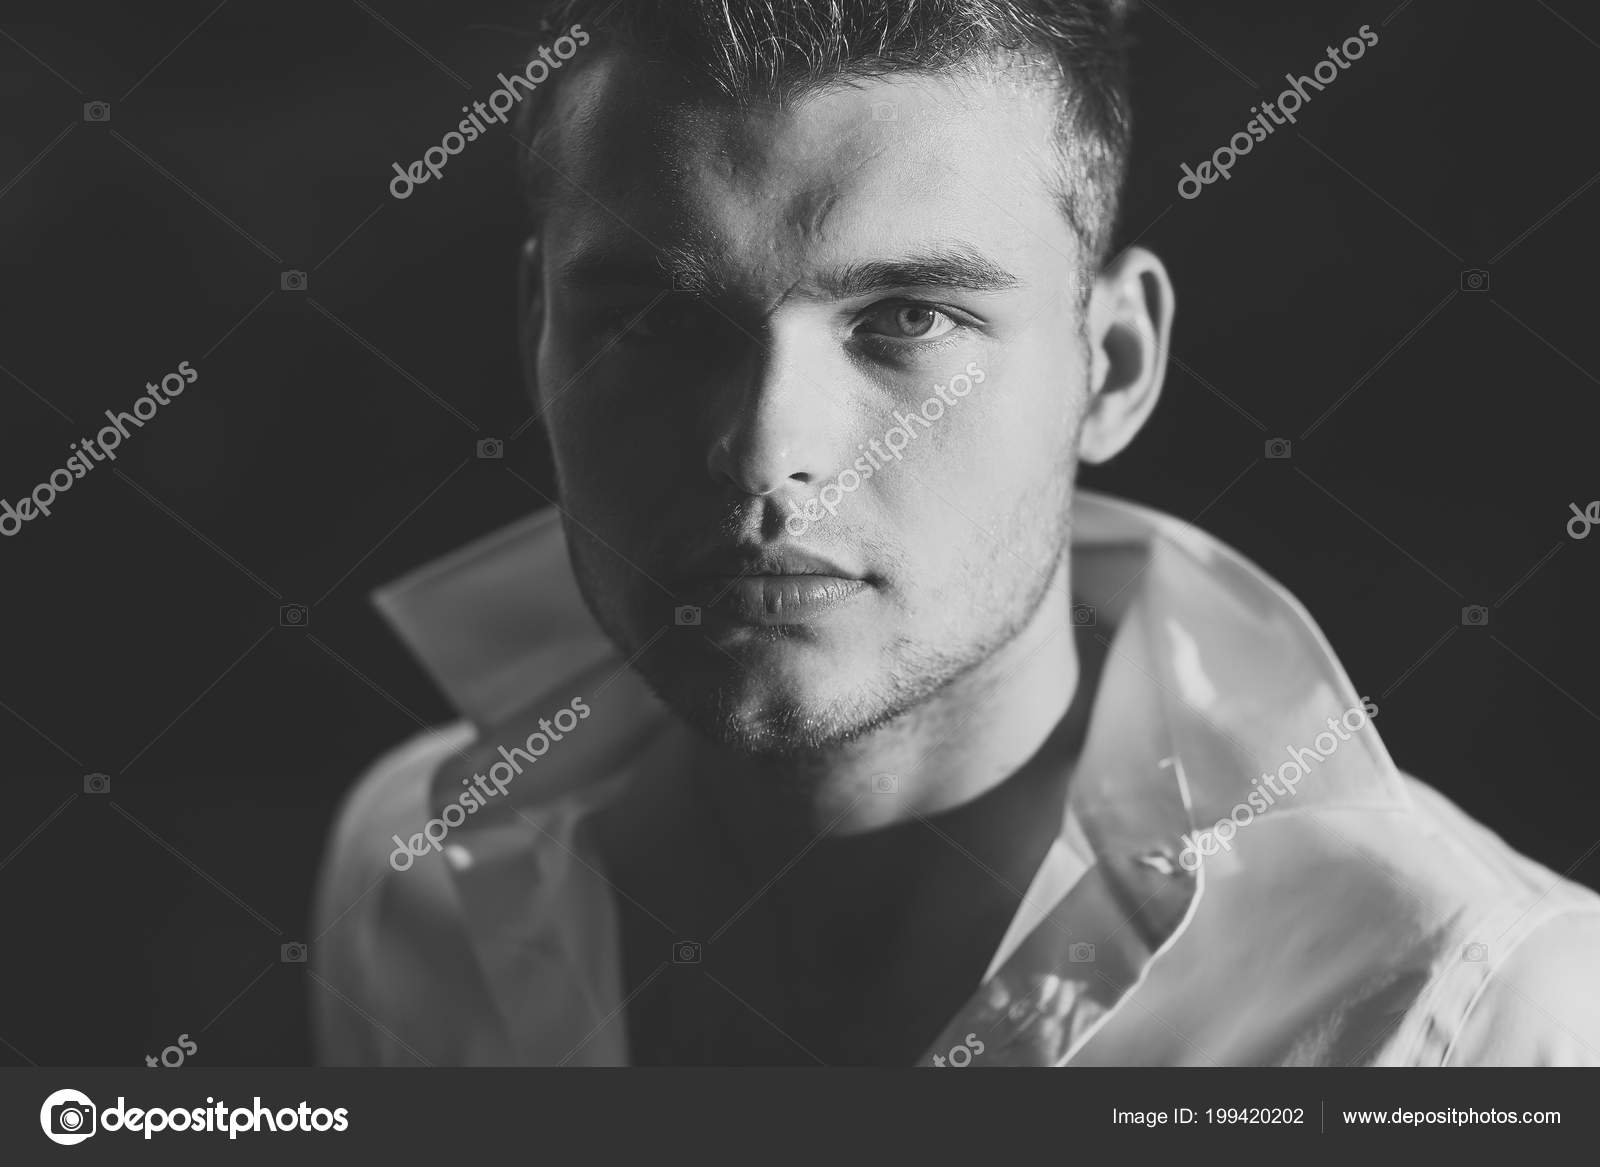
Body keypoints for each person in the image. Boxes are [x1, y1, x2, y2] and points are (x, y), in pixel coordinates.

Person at [311, 0, 1600, 1066]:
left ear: (1116, 365)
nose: (769, 459)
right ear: (539, 329)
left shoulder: (1468, 1011)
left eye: (911, 319)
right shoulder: (411, 862)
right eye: (654, 320)